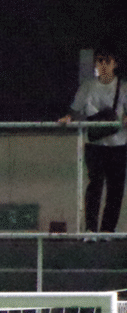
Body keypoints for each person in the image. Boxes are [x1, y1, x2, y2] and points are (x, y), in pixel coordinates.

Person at [59, 43, 127, 233]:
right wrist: (68, 118)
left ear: (115, 64)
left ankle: (107, 231)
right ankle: (91, 229)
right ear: (95, 64)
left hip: (119, 145)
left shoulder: (123, 87)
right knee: (95, 186)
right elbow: (74, 110)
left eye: (107, 61)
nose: (103, 65)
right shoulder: (88, 86)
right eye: (99, 61)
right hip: (95, 144)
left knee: (115, 190)